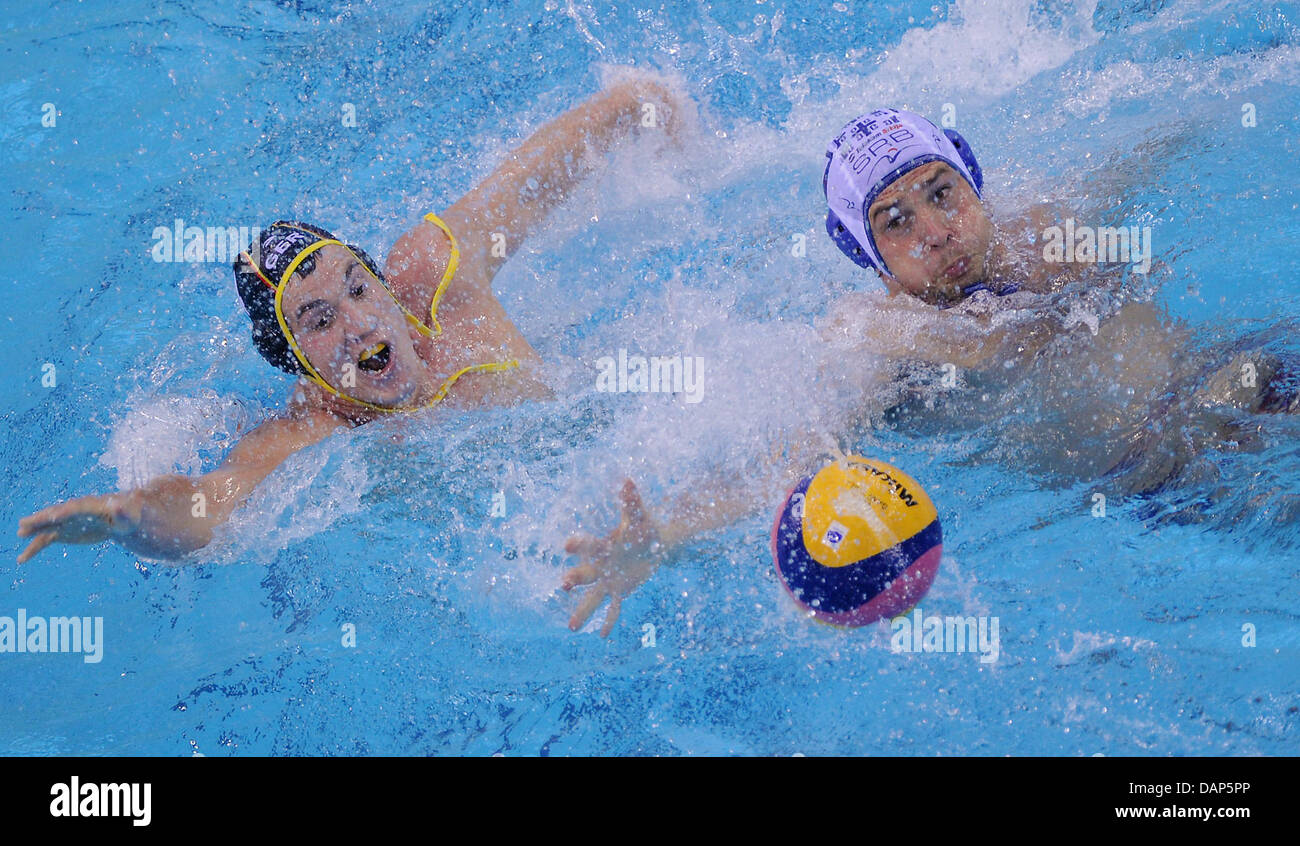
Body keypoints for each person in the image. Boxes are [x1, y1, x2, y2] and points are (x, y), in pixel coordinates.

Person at [562, 107, 1298, 636]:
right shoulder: (878, 346)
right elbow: (790, 464)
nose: (935, 230)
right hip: (1180, 483)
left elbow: (1167, 138)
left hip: (1248, 376)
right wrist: (665, 532)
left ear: (974, 184)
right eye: (895, 221)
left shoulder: (1046, 233)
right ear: (869, 257)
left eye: (942, 193)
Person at [17, 76, 683, 565]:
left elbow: (556, 161)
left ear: (388, 287)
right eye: (318, 319)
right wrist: (128, 517)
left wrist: (645, 108)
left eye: (359, 288)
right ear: (300, 363)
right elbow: (209, 506)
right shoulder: (312, 433)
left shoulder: (438, 275)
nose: (359, 324)